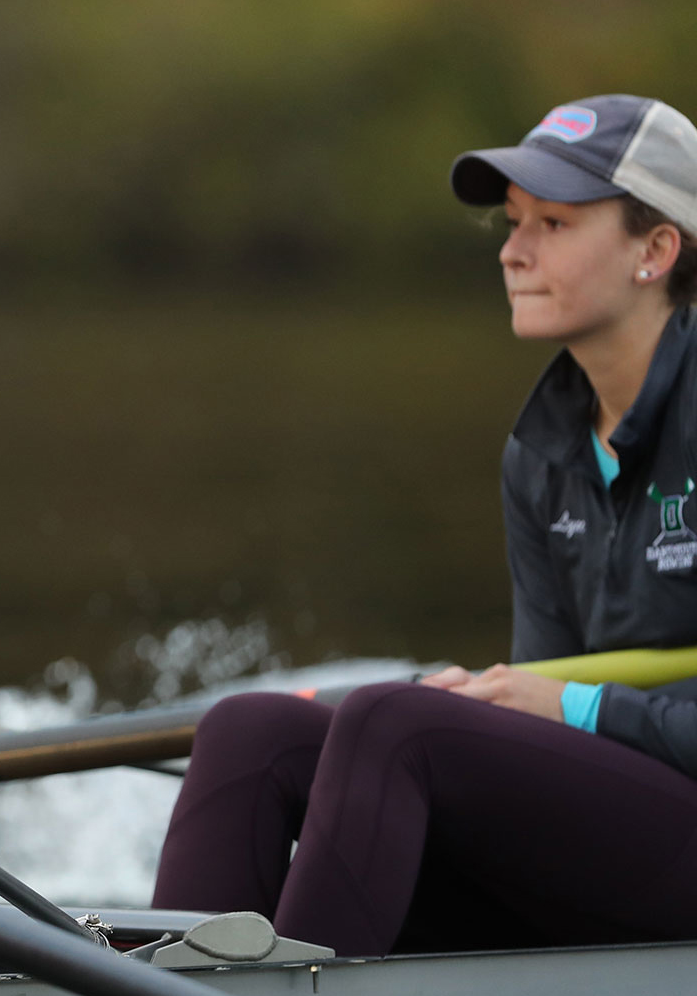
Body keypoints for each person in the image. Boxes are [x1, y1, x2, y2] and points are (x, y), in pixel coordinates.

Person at [149, 94, 697, 956]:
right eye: (514, 224)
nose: (514, 251)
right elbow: (544, 714)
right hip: (610, 837)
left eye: (553, 224)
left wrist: (577, 705)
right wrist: (501, 707)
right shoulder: (541, 450)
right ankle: (153, 979)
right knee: (247, 731)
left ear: (656, 250)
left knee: (392, 724)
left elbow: (566, 704)